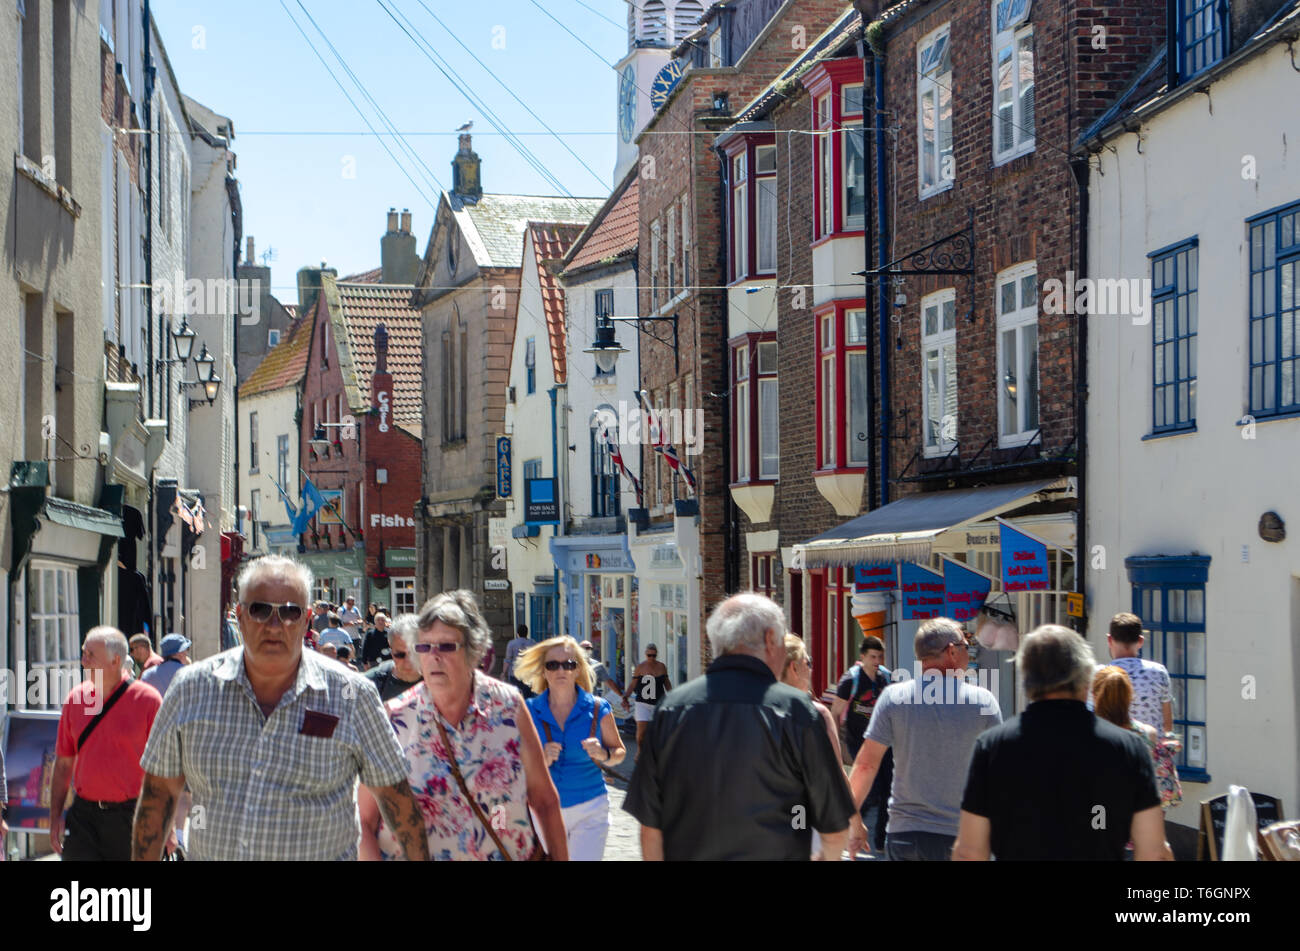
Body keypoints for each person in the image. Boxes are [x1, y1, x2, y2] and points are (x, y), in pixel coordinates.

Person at [133, 555, 429, 861]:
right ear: (241, 615)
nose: (274, 625)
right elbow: (157, 799)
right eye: (260, 610)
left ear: (307, 619)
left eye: (289, 612)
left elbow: (400, 805)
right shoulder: (190, 689)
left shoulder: (353, 696)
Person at [623, 593, 853, 860]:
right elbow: (835, 828)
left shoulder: (671, 709)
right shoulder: (796, 711)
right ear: (769, 640)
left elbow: (650, 828)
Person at [358, 590, 567, 861]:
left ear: (475, 651)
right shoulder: (394, 719)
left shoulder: (508, 706)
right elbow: (363, 821)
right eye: (424, 647)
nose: (433, 656)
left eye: (446, 646)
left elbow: (545, 801)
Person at [953, 625, 1172, 861]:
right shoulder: (1127, 748)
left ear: (1025, 678)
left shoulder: (993, 746)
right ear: (1087, 678)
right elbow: (1153, 852)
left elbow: (970, 852)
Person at [846, 618, 1002, 861]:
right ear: (951, 651)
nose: (968, 651)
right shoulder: (983, 702)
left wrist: (854, 820)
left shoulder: (893, 698)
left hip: (905, 835)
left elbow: (866, 765)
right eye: (965, 644)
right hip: (961, 838)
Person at [50, 627, 163, 860]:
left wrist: (166, 827)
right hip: (84, 818)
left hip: (131, 817)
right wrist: (54, 819)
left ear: (116, 660)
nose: (84, 661)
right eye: (83, 653)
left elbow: (163, 770)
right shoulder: (76, 700)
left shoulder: (148, 701)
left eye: (91, 655)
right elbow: (63, 765)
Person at [517, 636, 626, 860]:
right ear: (543, 671)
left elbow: (619, 752)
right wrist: (540, 760)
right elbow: (514, 764)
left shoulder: (597, 709)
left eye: (568, 664)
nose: (561, 670)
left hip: (591, 808)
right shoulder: (528, 710)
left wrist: (603, 754)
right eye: (552, 664)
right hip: (544, 810)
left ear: (577, 670)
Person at [832, 635, 894, 853]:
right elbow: (836, 711)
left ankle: (880, 841)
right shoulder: (851, 680)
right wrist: (836, 741)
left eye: (880, 656)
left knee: (888, 788)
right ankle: (853, 822)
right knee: (871, 789)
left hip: (884, 742)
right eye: (873, 656)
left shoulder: (885, 678)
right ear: (863, 657)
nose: (877, 660)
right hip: (858, 742)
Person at [1092, 665, 1183, 812]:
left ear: (1095, 695)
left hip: (1098, 816)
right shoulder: (1148, 734)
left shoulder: (1084, 733)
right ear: (1130, 695)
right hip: (1135, 818)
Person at [1106, 612, 1174, 734]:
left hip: (1114, 748)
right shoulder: (1158, 672)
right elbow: (1167, 724)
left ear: (1110, 640)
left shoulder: (1100, 675)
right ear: (1140, 641)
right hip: (1148, 749)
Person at [622, 643, 671, 756]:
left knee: (658, 731)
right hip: (642, 703)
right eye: (649, 655)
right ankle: (640, 751)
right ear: (645, 654)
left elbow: (667, 684)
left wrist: (672, 696)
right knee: (641, 732)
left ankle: (656, 754)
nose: (651, 658)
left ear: (656, 655)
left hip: (658, 702)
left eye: (654, 655)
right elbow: (633, 684)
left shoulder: (661, 667)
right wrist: (625, 697)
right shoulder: (640, 667)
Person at [364, 615, 424, 701]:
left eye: (415, 654)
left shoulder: (442, 684)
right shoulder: (369, 684)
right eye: (400, 655)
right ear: (391, 648)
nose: (408, 663)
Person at [140, 634, 191, 698]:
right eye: (186, 650)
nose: (186, 653)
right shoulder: (189, 674)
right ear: (180, 653)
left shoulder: (147, 674)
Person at [503, 624, 533, 695]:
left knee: (515, 695)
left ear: (517, 634)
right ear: (527, 633)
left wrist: (504, 672)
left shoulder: (511, 644)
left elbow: (508, 660)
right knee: (527, 695)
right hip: (528, 674)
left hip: (514, 674)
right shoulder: (532, 643)